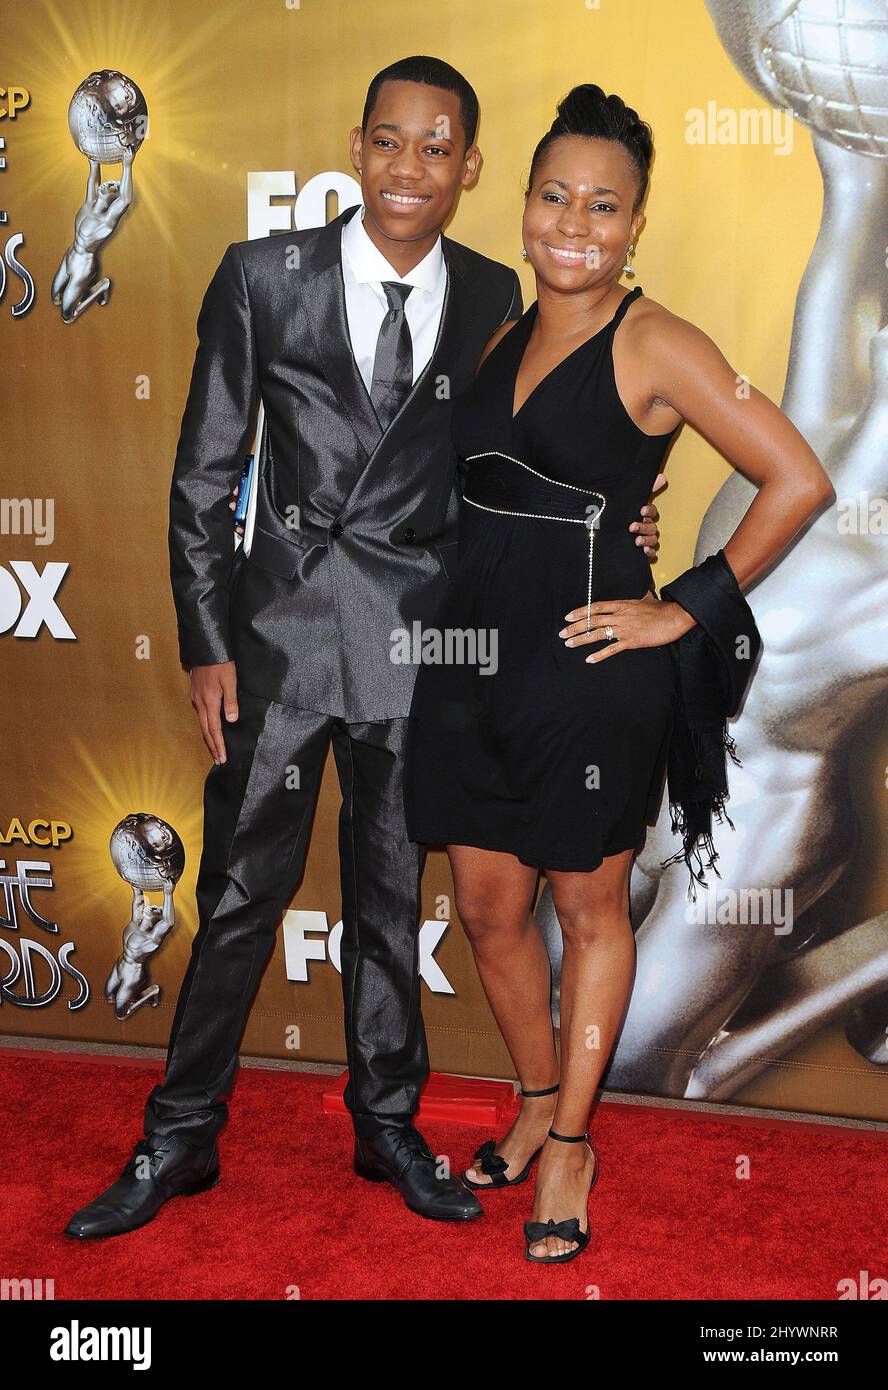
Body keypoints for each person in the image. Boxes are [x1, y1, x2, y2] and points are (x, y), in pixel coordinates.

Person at [64, 58, 661, 1240]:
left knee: (393, 903)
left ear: (470, 168)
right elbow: (205, 472)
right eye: (390, 142)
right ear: (355, 146)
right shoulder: (261, 277)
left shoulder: (504, 296)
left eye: (437, 149)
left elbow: (557, 444)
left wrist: (634, 515)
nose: (409, 168)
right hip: (278, 641)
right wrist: (205, 638)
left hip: (423, 644)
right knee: (239, 892)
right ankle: (179, 1133)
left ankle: (388, 1125)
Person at [403, 82, 834, 1264]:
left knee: (588, 910)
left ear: (637, 222)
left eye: (605, 203)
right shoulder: (497, 329)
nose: (574, 222)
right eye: (556, 196)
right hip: (468, 665)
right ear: (524, 199)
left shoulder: (656, 340)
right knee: (490, 908)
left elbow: (797, 478)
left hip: (589, 674)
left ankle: (578, 1141)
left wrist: (679, 608)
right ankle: (538, 1095)